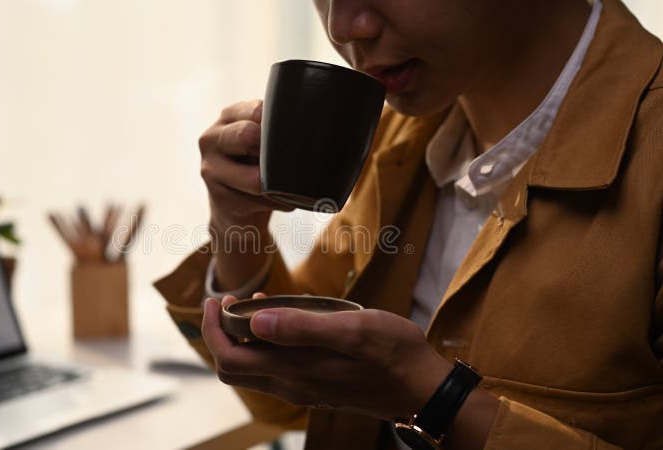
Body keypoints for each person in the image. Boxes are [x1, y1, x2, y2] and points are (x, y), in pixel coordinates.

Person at [154, 0, 663, 448]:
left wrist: (432, 399)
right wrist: (236, 224)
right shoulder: (401, 130)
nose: (343, 26)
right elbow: (291, 404)